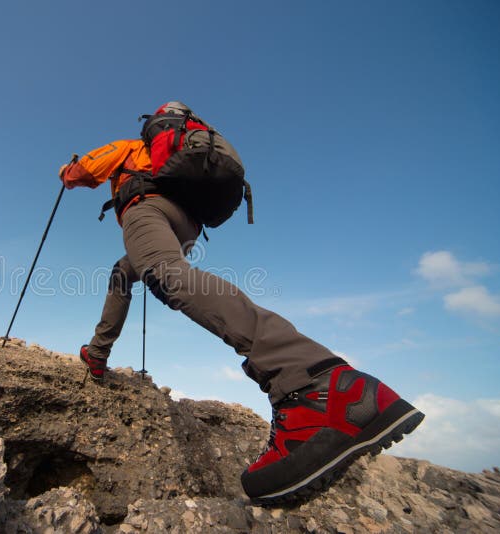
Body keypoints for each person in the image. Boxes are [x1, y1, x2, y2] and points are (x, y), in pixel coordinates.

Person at [58, 102, 424, 503]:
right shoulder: (185, 148)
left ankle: (313, 382)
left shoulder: (130, 147)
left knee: (164, 273)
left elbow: (80, 174)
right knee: (125, 271)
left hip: (147, 208)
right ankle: (98, 353)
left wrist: (68, 169)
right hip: (187, 226)